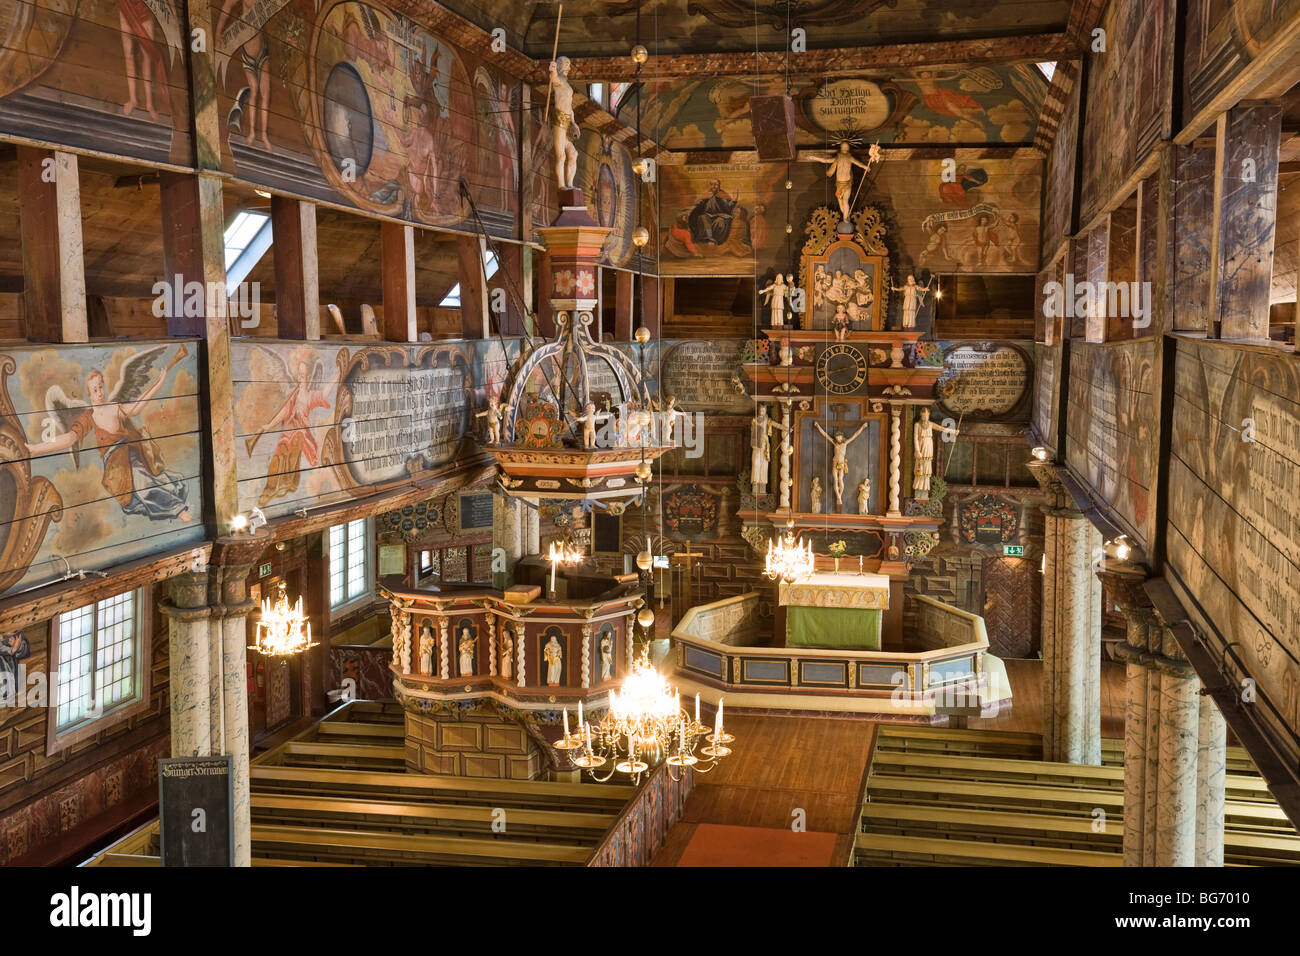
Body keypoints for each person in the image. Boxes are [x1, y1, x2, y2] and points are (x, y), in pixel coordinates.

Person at [548, 57, 579, 189]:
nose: (569, 68)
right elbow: (554, 79)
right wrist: (553, 70)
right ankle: (562, 185)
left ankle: (570, 184)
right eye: (566, 64)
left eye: (569, 65)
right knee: (561, 156)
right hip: (559, 122)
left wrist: (574, 123)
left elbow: (570, 107)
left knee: (573, 154)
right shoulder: (559, 82)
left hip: (567, 122)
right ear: (560, 65)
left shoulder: (567, 84)